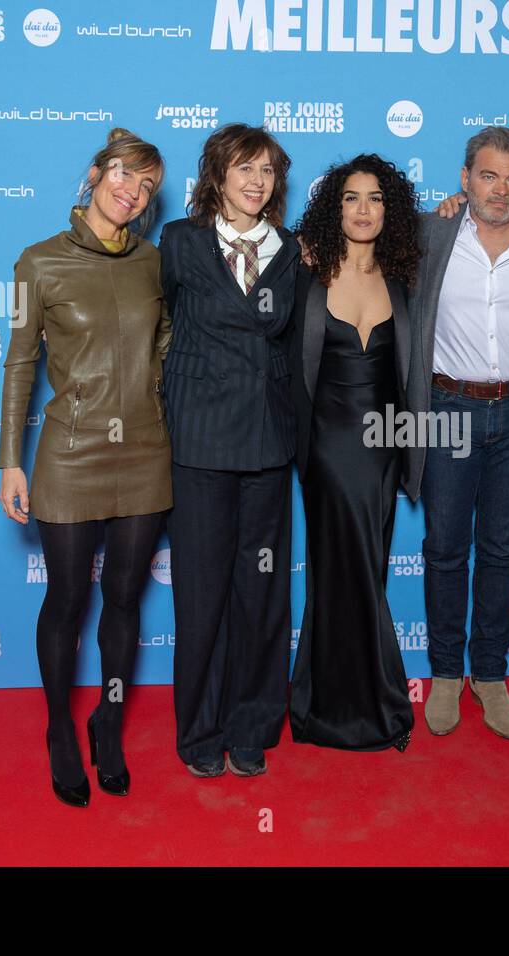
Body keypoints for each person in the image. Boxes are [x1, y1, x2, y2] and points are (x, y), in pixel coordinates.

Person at [0, 128, 171, 808]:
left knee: (125, 600)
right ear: (96, 173)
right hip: (69, 454)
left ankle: (108, 721)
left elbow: (166, 346)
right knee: (67, 602)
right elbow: (19, 363)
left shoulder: (157, 262)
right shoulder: (35, 263)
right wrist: (10, 460)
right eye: (125, 175)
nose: (133, 191)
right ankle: (58, 731)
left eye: (148, 186)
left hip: (146, 453)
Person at [160, 123, 300, 779]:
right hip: (200, 445)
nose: (255, 181)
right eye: (244, 168)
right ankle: (200, 731)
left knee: (261, 594)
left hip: (268, 446)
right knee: (202, 593)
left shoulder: (291, 249)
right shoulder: (181, 242)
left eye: (267, 171)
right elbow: (153, 328)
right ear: (216, 176)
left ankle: (252, 726)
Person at [411, 127, 509, 740]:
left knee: (502, 549)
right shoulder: (431, 232)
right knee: (446, 547)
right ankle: (446, 672)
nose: (501, 190)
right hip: (449, 408)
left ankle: (490, 674)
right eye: (489, 176)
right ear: (466, 178)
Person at [288, 154, 423, 752]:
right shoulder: (304, 267)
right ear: (332, 208)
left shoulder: (406, 276)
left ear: (389, 210)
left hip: (386, 445)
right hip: (326, 446)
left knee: (369, 566)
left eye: (375, 198)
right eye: (350, 197)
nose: (363, 209)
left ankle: (347, 701)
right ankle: (357, 706)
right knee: (341, 568)